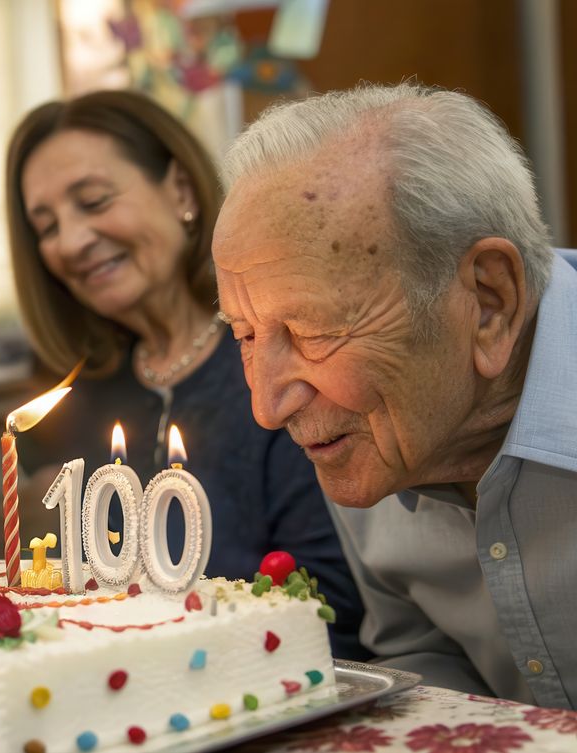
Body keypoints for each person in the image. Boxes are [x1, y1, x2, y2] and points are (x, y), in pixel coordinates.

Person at [212, 82, 577, 708]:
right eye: (246, 335)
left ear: (489, 303)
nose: (268, 408)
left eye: (314, 332)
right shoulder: (369, 434)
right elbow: (421, 655)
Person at [5, 89, 367, 660]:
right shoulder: (63, 404)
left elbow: (332, 608)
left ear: (179, 189)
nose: (70, 242)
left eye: (94, 201)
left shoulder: (285, 362)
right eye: (46, 227)